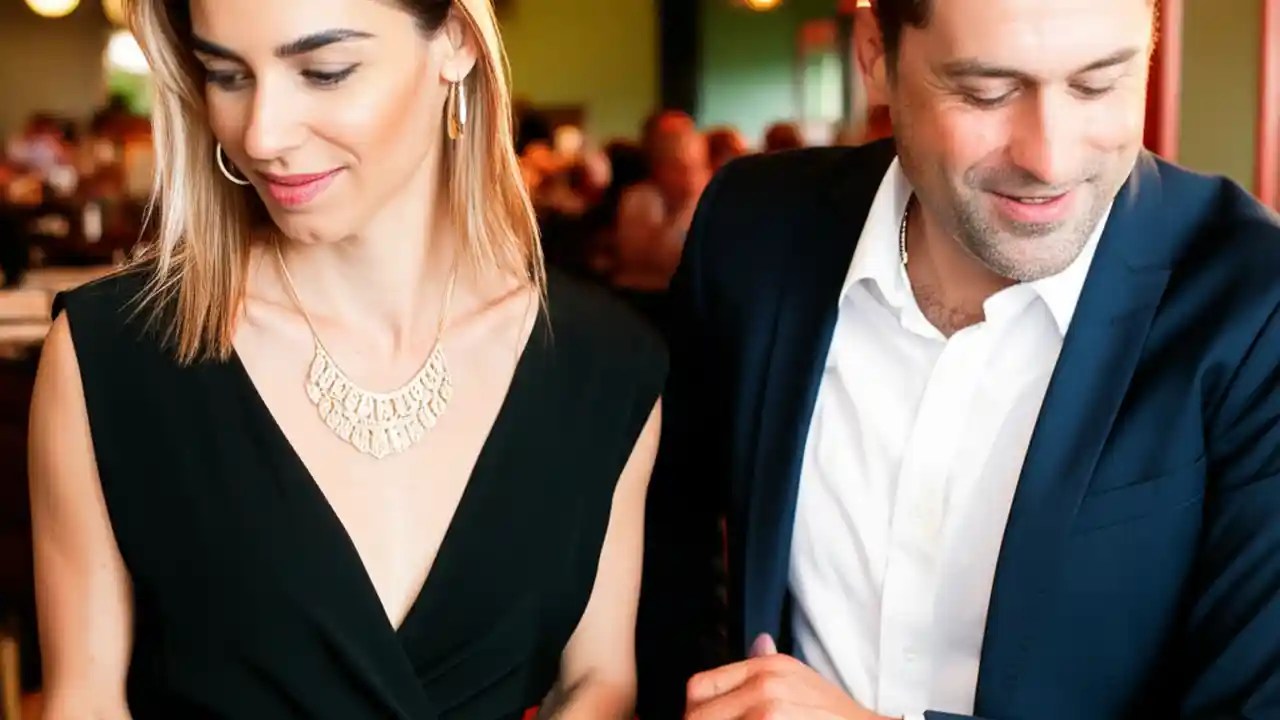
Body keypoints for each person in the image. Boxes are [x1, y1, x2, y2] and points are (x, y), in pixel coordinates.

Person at [637, 0, 1280, 718]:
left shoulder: (1256, 302)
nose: (1049, 158)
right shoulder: (753, 228)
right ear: (877, 53)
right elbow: (672, 555)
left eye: (1099, 85)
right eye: (987, 93)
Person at [29, 1, 665, 718]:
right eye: (226, 75)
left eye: (325, 72)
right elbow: (83, 700)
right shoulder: (110, 356)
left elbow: (598, 680)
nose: (261, 134)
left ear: (455, 41)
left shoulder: (604, 365)